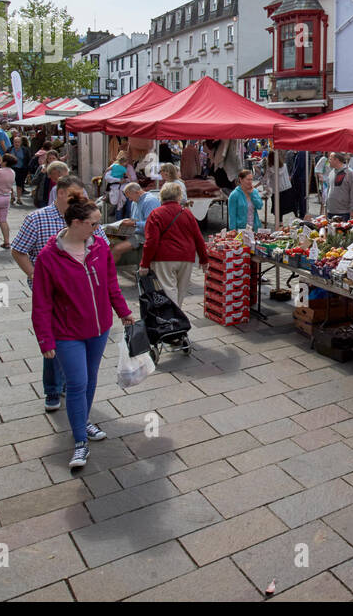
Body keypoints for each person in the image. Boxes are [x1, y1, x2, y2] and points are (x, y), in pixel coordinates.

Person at [31, 187, 133, 471]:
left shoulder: (99, 246)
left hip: (99, 328)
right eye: (94, 224)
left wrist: (123, 312)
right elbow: (41, 303)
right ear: (76, 223)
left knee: (89, 381)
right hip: (67, 333)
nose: (98, 228)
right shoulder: (49, 257)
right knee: (76, 384)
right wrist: (45, 339)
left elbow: (111, 284)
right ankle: (79, 442)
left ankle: (83, 421)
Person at [12, 172, 107, 412]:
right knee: (55, 343)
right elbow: (18, 250)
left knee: (78, 344)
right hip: (53, 296)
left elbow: (102, 244)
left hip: (83, 296)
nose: (81, 201)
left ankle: (72, 385)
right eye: (77, 196)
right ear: (61, 193)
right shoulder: (37, 219)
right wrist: (35, 275)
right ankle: (53, 389)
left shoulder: (85, 216)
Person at [140, 181, 208, 309]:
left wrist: (144, 264)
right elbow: (198, 238)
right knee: (181, 291)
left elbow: (151, 242)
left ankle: (172, 319)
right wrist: (204, 259)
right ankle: (177, 317)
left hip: (164, 258)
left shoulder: (156, 214)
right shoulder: (187, 213)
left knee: (168, 289)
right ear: (178, 196)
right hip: (186, 257)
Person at [227, 168, 264, 233]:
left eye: (251, 179)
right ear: (241, 180)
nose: (250, 182)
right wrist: (233, 231)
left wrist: (252, 194)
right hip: (241, 230)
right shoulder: (234, 195)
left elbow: (259, 206)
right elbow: (232, 215)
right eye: (248, 179)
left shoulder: (254, 191)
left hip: (255, 228)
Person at [324, 152, 353, 220]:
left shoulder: (349, 172)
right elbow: (328, 190)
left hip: (343, 212)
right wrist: (326, 206)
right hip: (330, 210)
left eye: (330, 159)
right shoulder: (331, 173)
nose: (328, 161)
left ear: (336, 160)